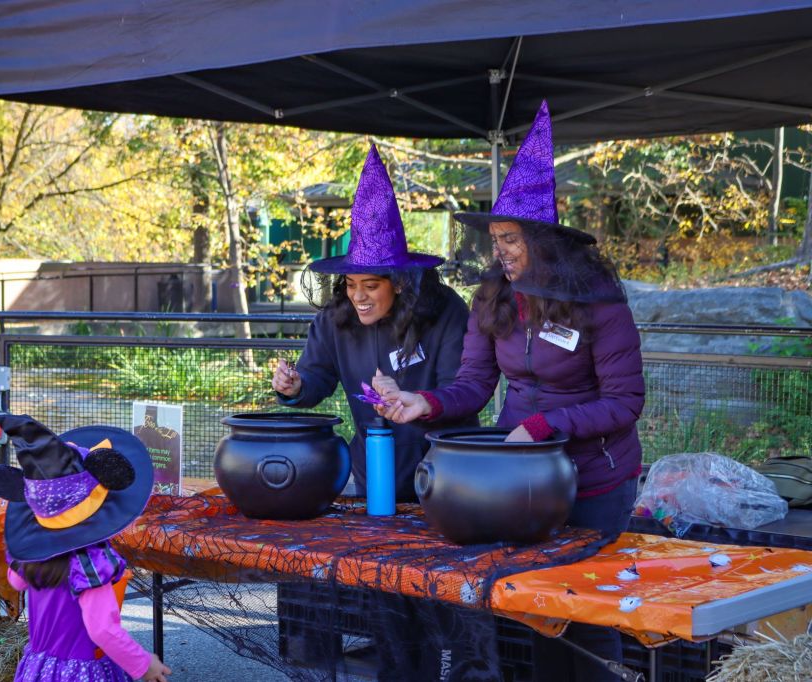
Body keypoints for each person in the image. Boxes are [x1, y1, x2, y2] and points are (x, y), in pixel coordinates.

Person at [374, 102, 645, 682]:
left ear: (546, 243)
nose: (499, 251)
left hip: (594, 479)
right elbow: (474, 384)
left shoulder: (600, 305)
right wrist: (428, 402)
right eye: (495, 238)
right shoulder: (492, 298)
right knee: (531, 607)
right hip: (521, 480)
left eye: (511, 239)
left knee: (588, 615)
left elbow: (625, 403)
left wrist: (548, 426)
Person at [271, 143, 471, 502]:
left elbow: (462, 390)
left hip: (445, 468)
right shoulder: (334, 319)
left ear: (398, 282)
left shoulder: (446, 311)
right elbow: (317, 378)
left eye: (370, 286)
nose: (358, 297)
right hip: (372, 468)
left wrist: (418, 400)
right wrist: (296, 386)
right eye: (350, 285)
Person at [0, 414, 172, 682]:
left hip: (39, 668)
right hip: (81, 672)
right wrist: (144, 664)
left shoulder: (31, 555)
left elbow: (14, 582)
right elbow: (102, 630)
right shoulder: (89, 563)